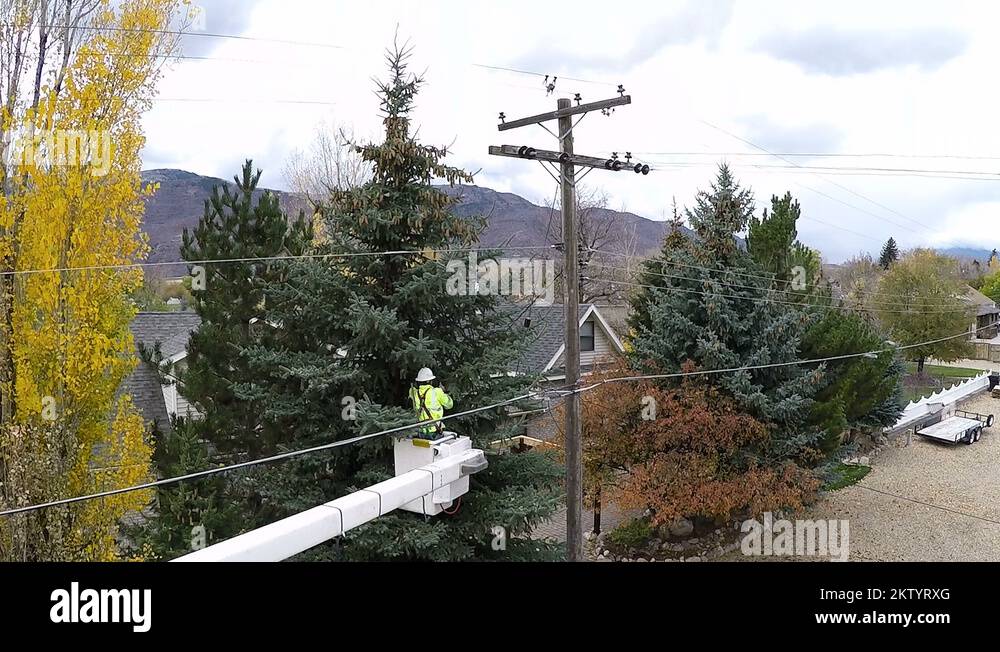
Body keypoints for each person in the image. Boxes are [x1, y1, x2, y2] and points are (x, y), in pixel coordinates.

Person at [408, 367, 453, 438]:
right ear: (430, 381)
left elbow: (411, 390)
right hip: (435, 431)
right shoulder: (437, 392)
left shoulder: (414, 393)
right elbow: (449, 405)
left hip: (421, 432)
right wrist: (443, 392)